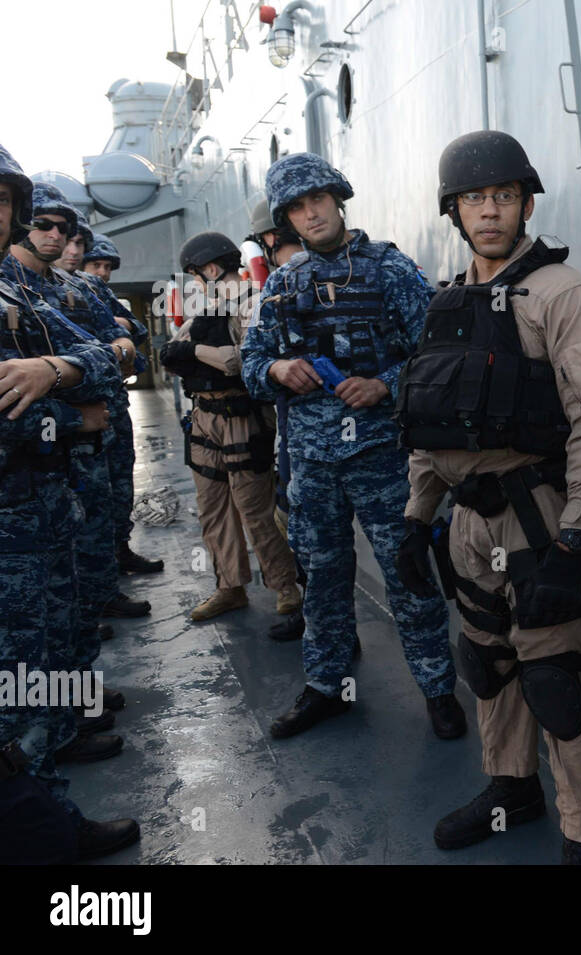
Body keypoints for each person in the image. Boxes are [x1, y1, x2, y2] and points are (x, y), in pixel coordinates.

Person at [395, 131, 581, 864]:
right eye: (474, 198)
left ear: (525, 203)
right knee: (486, 662)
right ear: (454, 210)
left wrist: (578, 537)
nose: (489, 211)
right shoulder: (446, 301)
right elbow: (433, 424)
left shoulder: (565, 294)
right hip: (467, 521)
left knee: (555, 683)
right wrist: (415, 518)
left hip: (537, 518)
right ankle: (510, 787)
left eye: (503, 196)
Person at [241, 153, 462, 740]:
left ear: (337, 199)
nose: (309, 213)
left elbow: (437, 359)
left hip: (382, 457)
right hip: (312, 463)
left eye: (317, 199)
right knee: (322, 580)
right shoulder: (284, 283)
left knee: (408, 578)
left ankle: (438, 689)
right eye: (296, 206)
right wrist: (280, 368)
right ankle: (327, 686)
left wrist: (384, 384)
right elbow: (252, 362)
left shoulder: (389, 269)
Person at [0, 141, 140, 859]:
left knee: (46, 651)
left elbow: (115, 353)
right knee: (18, 688)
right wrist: (68, 415)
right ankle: (44, 833)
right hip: (14, 518)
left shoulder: (21, 297)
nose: (51, 234)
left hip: (39, 510)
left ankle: (49, 803)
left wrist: (53, 368)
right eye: (42, 223)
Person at [158, 232, 300, 621]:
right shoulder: (207, 311)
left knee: (255, 508)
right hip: (204, 419)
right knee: (213, 508)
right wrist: (191, 352)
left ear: (210, 268)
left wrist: (196, 352)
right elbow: (171, 352)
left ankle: (286, 586)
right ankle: (229, 586)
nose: (195, 285)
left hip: (242, 419)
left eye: (196, 276)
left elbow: (242, 361)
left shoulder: (254, 304)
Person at [58, 227, 162, 577]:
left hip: (113, 409)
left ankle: (118, 551)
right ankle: (94, 579)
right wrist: (115, 340)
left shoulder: (96, 293)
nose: (102, 273)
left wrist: (121, 332)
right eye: (95, 264)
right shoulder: (54, 293)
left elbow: (137, 331)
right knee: (86, 501)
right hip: (77, 419)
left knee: (119, 486)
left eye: (107, 266)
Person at [246, 197, 308, 643]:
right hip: (371, 440)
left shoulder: (276, 289)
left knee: (302, 534)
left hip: (302, 439)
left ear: (271, 237)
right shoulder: (360, 269)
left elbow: (253, 367)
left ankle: (316, 620)